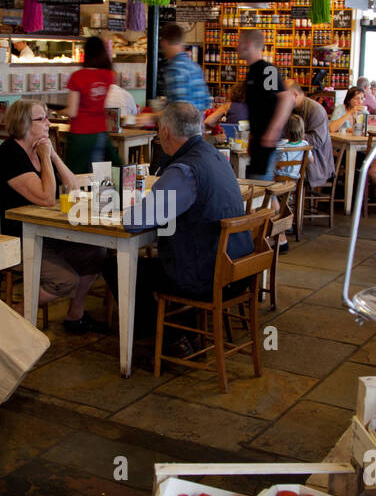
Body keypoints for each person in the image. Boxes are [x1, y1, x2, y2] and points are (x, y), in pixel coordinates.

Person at [122, 101, 252, 346]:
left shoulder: (184, 170)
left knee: (123, 268)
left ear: (165, 132)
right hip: (237, 268)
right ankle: (183, 327)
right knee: (167, 259)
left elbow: (134, 222)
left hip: (209, 276)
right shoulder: (215, 156)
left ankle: (169, 340)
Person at [0, 98, 110, 333]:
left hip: (45, 232)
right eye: (41, 118)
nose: (48, 122)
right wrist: (45, 157)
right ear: (24, 124)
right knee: (65, 281)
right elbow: (46, 197)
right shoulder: (11, 154)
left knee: (96, 254)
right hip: (17, 237)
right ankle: (13, 314)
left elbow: (73, 187)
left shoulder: (39, 150)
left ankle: (76, 314)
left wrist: (52, 155)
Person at [239, 28, 292, 179]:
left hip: (266, 142)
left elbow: (287, 98)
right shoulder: (253, 71)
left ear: (248, 45)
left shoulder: (266, 70)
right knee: (264, 191)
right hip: (258, 140)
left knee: (261, 188)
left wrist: (273, 131)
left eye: (239, 43)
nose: (237, 47)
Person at [64, 36, 122, 174]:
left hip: (80, 133)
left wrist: (60, 111)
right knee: (98, 175)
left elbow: (72, 111)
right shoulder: (109, 75)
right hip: (100, 132)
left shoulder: (77, 76)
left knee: (75, 177)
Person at [288, 81, 336, 186]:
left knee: (274, 173)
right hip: (298, 161)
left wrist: (293, 137)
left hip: (315, 165)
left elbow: (317, 140)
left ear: (295, 95)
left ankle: (284, 199)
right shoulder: (291, 109)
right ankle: (283, 199)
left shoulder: (315, 110)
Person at [158, 22, 212, 113]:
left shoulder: (175, 69)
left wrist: (152, 117)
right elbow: (207, 102)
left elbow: (180, 110)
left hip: (182, 126)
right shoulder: (195, 67)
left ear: (164, 42)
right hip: (197, 125)